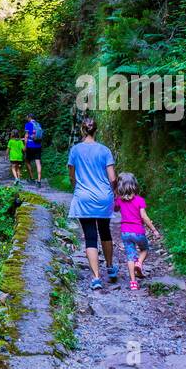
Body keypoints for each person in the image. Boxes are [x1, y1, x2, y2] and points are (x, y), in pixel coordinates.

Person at [67, 115, 118, 290]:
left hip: (84, 198)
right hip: (104, 197)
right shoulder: (104, 151)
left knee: (90, 236)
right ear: (96, 130)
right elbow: (112, 178)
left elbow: (72, 176)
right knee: (105, 231)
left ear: (83, 130)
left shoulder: (75, 150)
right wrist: (114, 192)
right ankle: (110, 268)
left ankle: (96, 278)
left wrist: (76, 188)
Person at [114, 172, 158, 290]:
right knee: (144, 249)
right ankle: (139, 262)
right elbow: (144, 217)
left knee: (130, 256)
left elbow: (115, 208)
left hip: (125, 233)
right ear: (134, 185)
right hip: (138, 232)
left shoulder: (119, 200)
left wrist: (116, 196)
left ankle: (133, 282)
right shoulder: (139, 200)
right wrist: (154, 230)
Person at [23, 116, 43, 186]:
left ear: (29, 118)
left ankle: (32, 178)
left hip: (30, 146)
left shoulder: (28, 124)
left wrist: (25, 146)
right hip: (38, 146)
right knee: (38, 162)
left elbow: (26, 136)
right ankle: (39, 180)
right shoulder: (38, 124)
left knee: (27, 161)